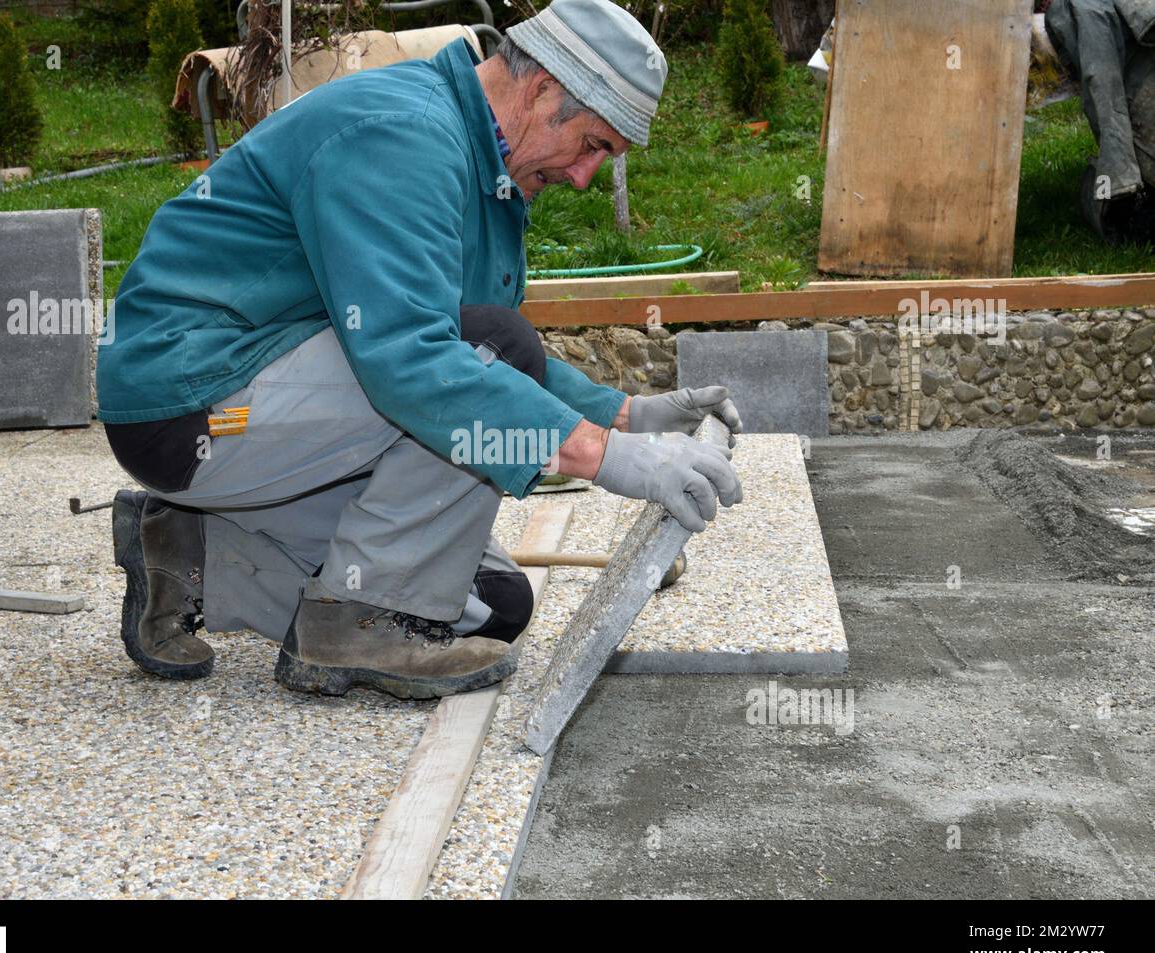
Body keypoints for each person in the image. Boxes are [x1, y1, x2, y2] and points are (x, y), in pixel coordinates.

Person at [97, 0, 743, 700]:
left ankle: (193, 554)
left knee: (493, 607)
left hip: (273, 393)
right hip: (190, 403)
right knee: (486, 368)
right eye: (592, 145)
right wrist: (611, 460)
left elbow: (455, 338)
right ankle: (357, 619)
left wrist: (627, 415)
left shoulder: (478, 162)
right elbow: (424, 364)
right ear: (543, 90)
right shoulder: (403, 136)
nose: (584, 177)